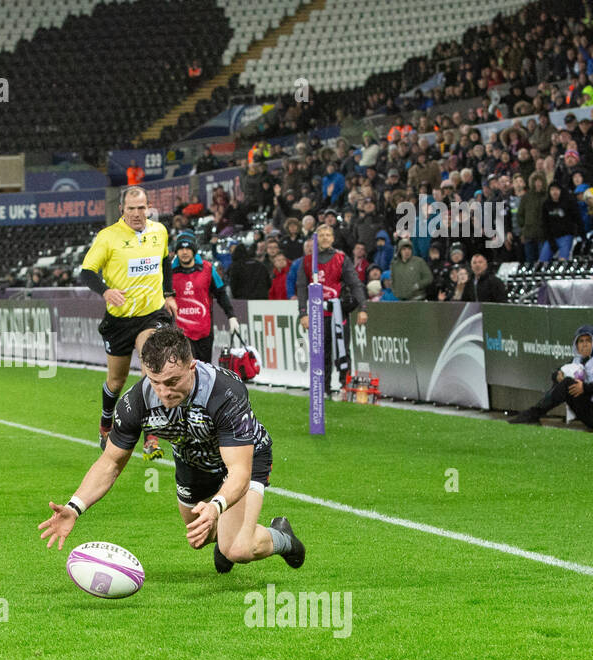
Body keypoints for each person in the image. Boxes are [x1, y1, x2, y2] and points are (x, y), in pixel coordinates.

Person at [37, 326, 304, 576]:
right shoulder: (136, 402)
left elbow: (239, 471)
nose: (165, 392)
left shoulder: (224, 392)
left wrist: (216, 506)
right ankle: (225, 536)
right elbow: (110, 463)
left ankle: (282, 537)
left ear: (192, 366)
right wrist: (74, 507)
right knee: (198, 536)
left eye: (173, 381)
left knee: (238, 549)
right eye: (156, 382)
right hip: (192, 461)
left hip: (244, 456)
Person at [80, 186, 177, 460]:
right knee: (116, 381)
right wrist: (105, 291)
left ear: (149, 207)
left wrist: (168, 295)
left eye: (142, 208)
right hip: (120, 320)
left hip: (152, 314)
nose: (137, 213)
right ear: (122, 209)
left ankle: (152, 437)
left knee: (153, 369)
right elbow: (87, 271)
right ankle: (105, 424)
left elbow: (165, 262)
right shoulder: (108, 237)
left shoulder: (159, 231)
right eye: (132, 208)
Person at [296, 225, 369, 395]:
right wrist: (302, 313)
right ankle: (323, 388)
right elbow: (301, 288)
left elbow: (355, 284)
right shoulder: (307, 261)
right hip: (317, 315)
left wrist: (363, 307)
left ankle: (345, 386)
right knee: (321, 352)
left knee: (343, 349)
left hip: (338, 312)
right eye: (321, 235)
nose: (325, 238)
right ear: (316, 239)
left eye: (328, 235)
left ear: (333, 238)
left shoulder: (341, 259)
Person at [508, 325, 593, 428]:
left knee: (567, 383)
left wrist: (584, 388)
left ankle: (533, 413)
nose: (584, 344)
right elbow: (559, 371)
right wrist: (557, 375)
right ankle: (534, 413)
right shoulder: (578, 360)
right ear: (576, 345)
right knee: (564, 380)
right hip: (589, 409)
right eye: (581, 341)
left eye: (588, 341)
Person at [169, 231, 239, 363]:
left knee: (204, 371)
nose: (184, 252)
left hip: (204, 331)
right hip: (180, 333)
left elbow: (221, 293)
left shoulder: (208, 269)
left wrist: (231, 316)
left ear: (194, 250)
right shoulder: (169, 273)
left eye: (188, 248)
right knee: (187, 369)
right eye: (181, 249)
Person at [389, 236, 432, 301]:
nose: (407, 251)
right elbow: (392, 280)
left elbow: (429, 278)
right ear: (399, 251)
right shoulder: (395, 265)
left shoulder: (419, 262)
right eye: (404, 249)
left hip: (418, 299)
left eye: (409, 249)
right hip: (401, 300)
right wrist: (396, 292)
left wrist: (418, 285)